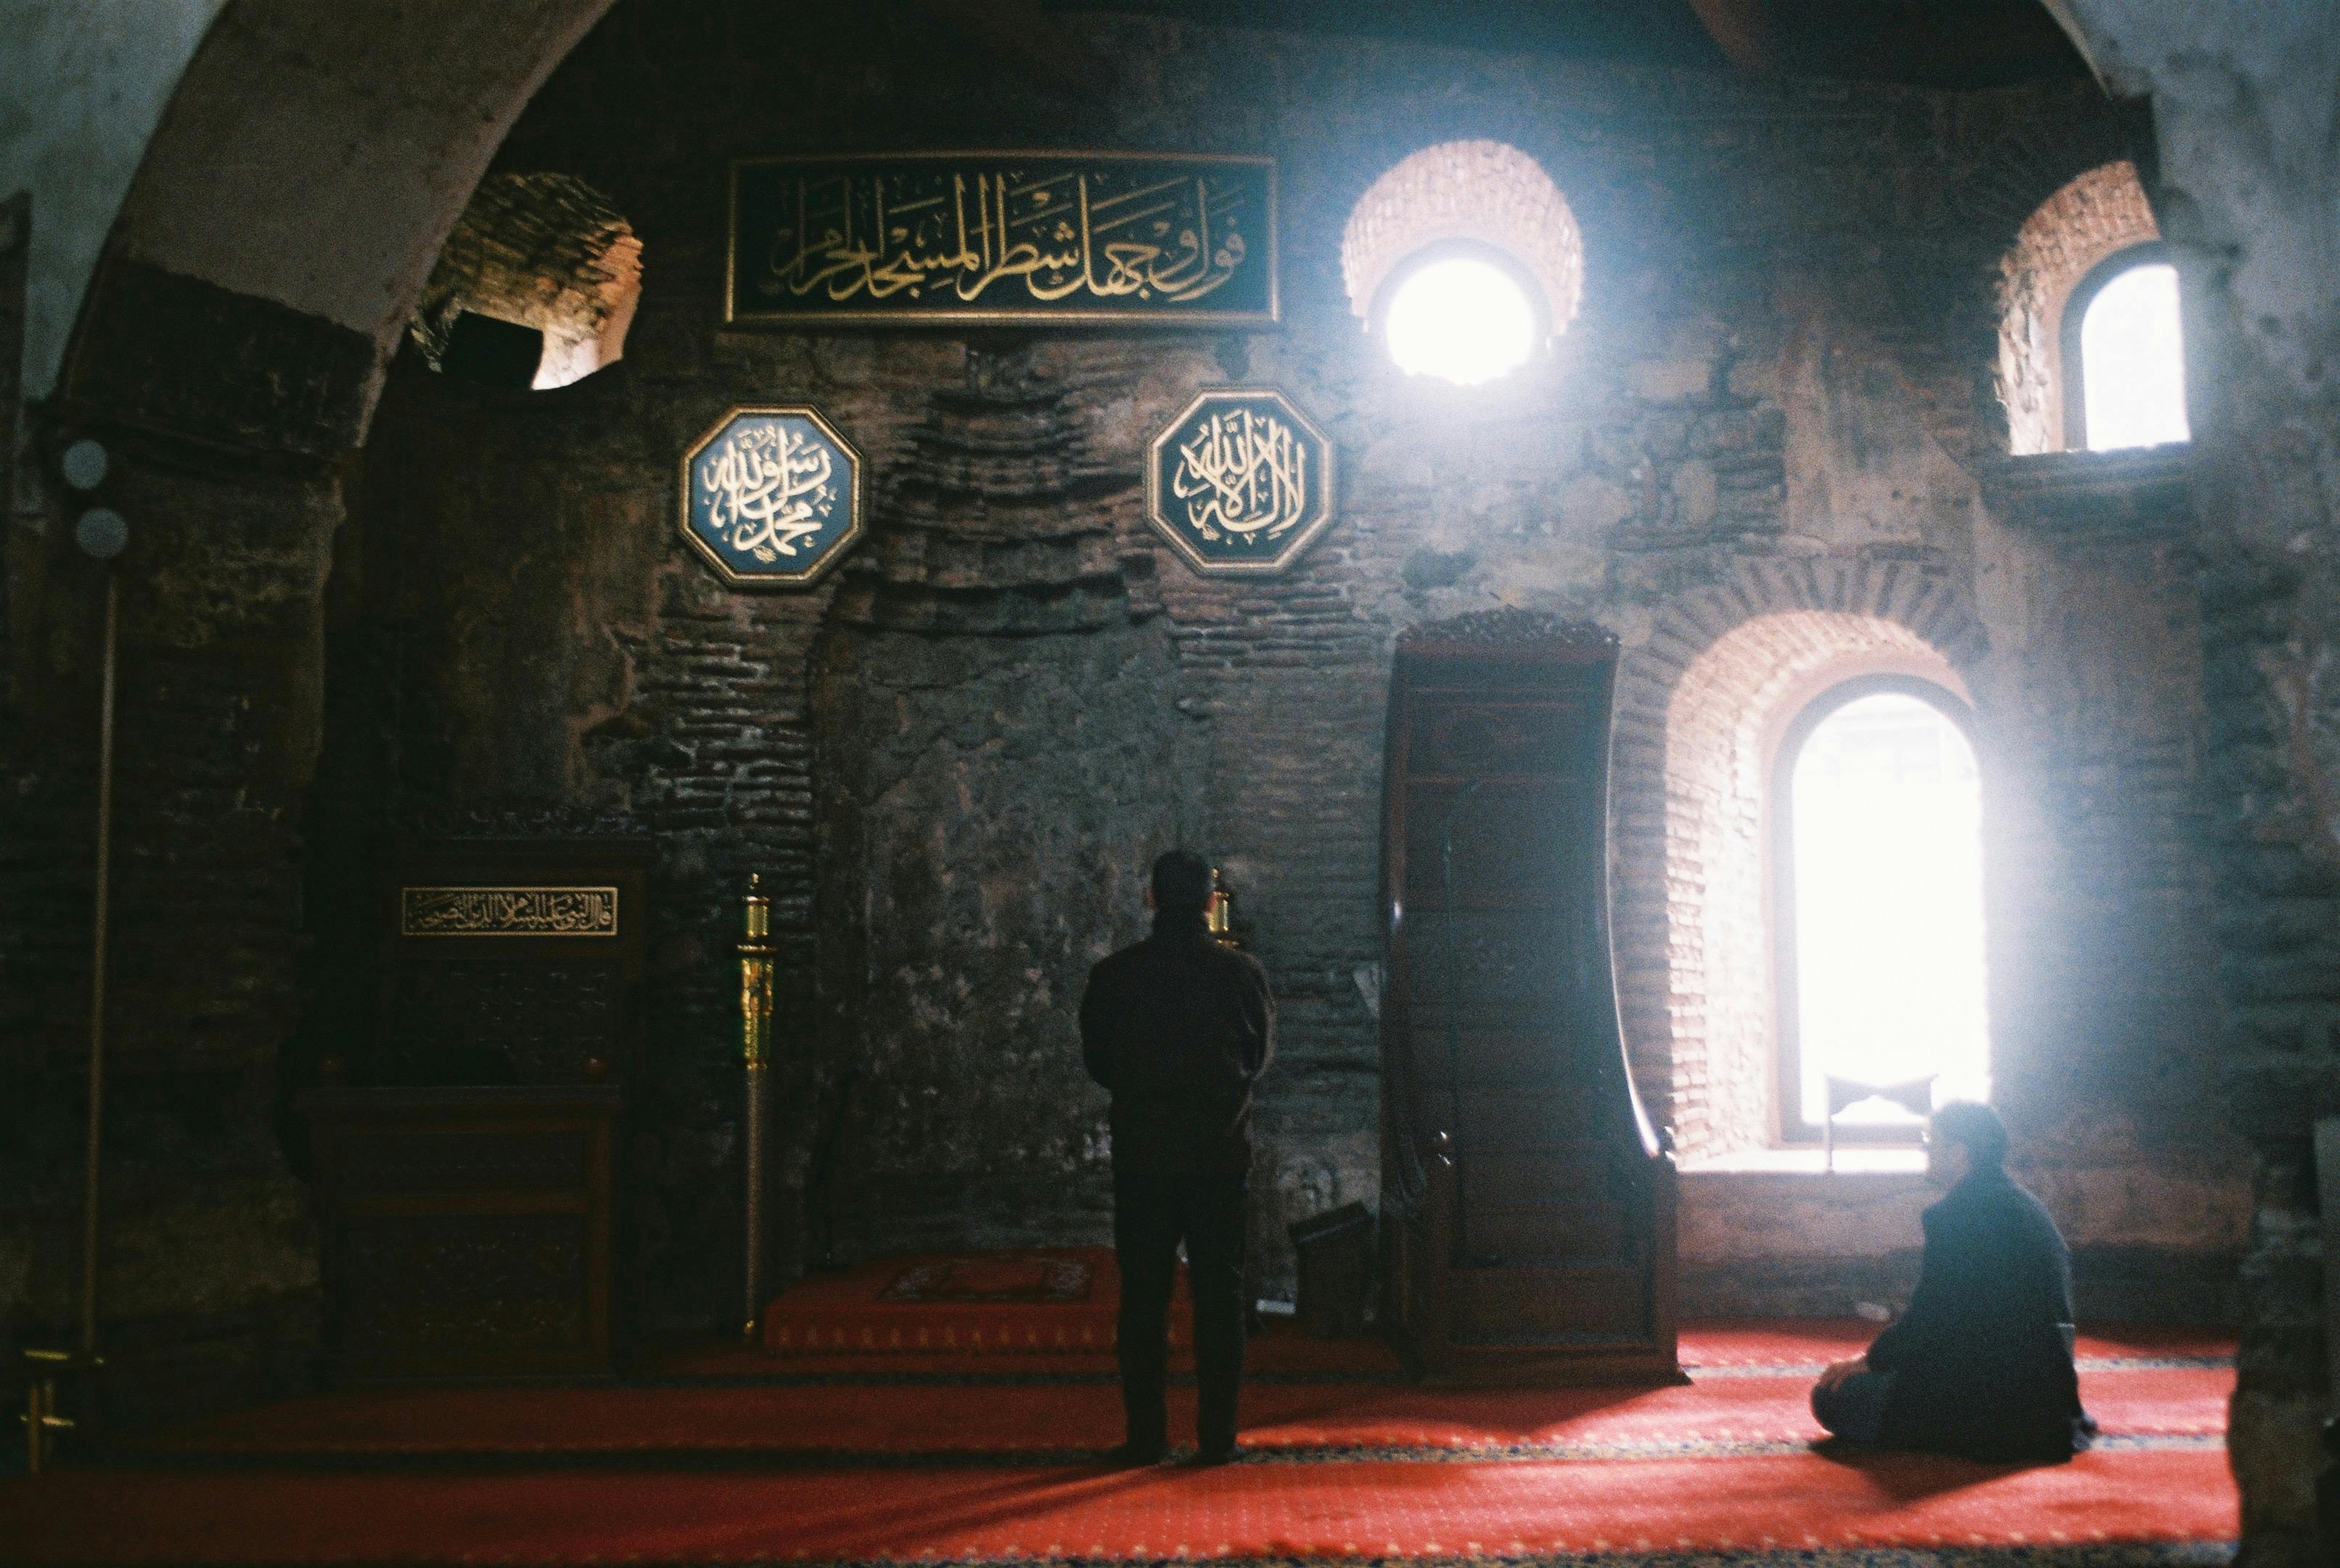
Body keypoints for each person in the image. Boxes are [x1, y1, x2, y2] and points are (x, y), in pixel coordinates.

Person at [1079, 850, 1274, 1466]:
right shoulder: (1241, 975)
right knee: (1220, 1296)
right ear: (1210, 903)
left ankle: (1146, 1436)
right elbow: (1258, 1057)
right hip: (1218, 1157)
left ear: (1152, 899)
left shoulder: (1115, 976)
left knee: (1143, 1298)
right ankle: (1217, 1438)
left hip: (1144, 1156)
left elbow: (1100, 1062)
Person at [1812, 1101, 2091, 1462]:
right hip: (2052, 1407)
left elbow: (1931, 1320)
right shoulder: (2029, 1206)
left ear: (1959, 1153)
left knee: (1829, 1397)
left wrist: (1868, 1362)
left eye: (1932, 1140)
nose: (1925, 1148)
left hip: (1989, 1401)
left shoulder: (1953, 1216)